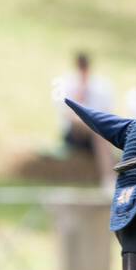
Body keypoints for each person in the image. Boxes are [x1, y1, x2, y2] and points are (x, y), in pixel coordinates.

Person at [56, 52, 116, 187]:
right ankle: (108, 178)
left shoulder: (100, 86)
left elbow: (107, 112)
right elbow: (66, 114)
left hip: (95, 129)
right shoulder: (66, 83)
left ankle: (109, 177)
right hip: (75, 131)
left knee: (98, 132)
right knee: (96, 130)